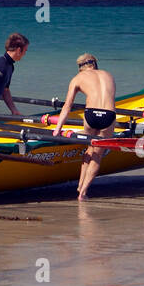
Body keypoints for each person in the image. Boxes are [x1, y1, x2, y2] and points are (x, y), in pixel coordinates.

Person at [50, 54, 117, 200]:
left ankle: (80, 186)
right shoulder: (108, 75)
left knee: (88, 149)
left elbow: (67, 106)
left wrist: (57, 129)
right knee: (97, 154)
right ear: (95, 64)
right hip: (108, 116)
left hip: (90, 115)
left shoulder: (77, 79)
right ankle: (83, 192)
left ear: (80, 68)